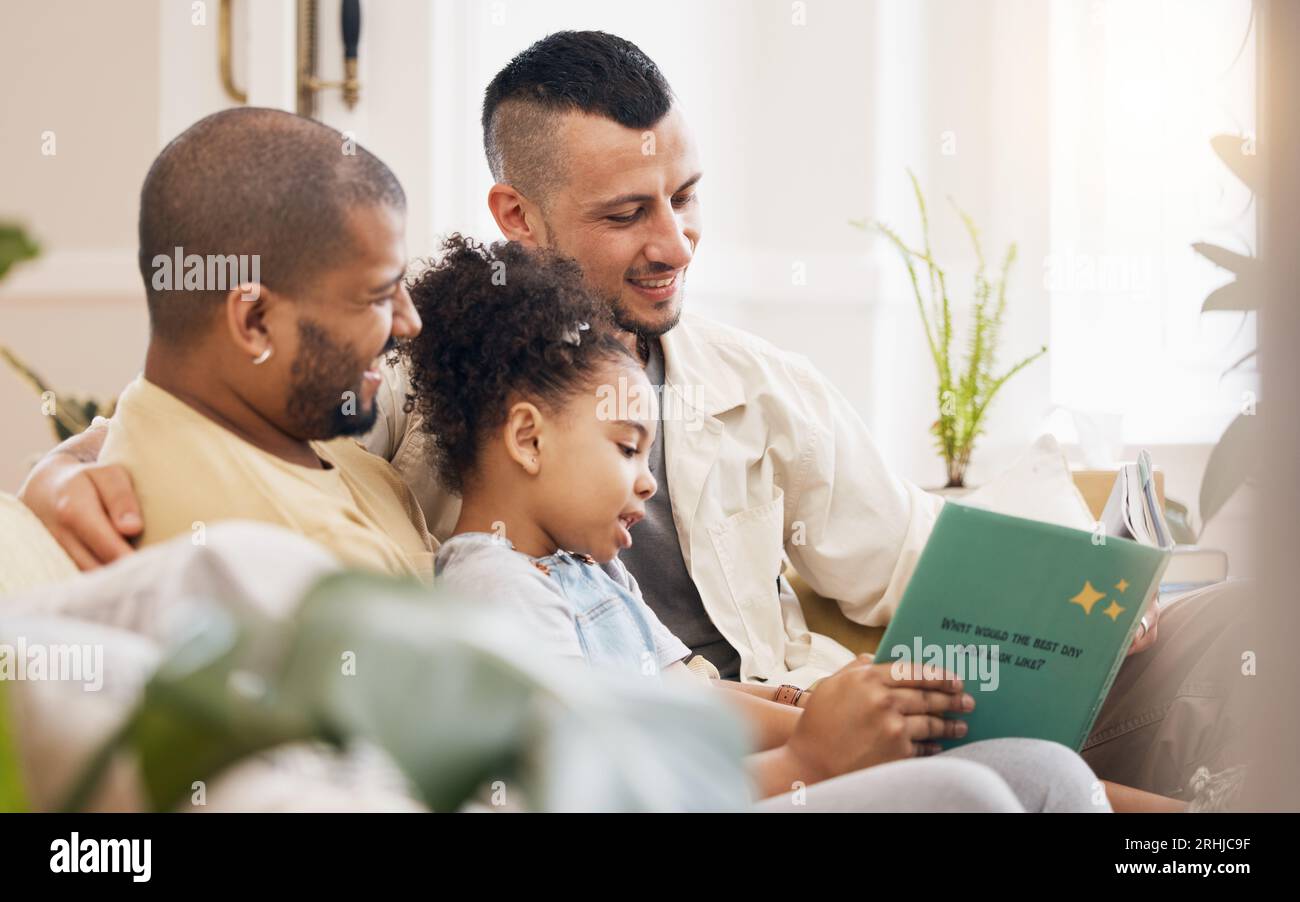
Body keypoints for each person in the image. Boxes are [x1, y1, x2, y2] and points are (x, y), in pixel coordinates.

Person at [17, 32, 1251, 800]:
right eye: (626, 216)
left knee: (1232, 622)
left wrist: (1092, 596)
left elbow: (911, 550)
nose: (675, 245)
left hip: (817, 702)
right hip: (712, 758)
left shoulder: (753, 378)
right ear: (516, 217)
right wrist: (69, 462)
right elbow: (219, 411)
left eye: (686, 197)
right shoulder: (421, 371)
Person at [413, 234, 1110, 812]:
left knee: (1048, 774)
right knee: (968, 797)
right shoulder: (496, 590)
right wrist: (809, 759)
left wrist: (829, 710)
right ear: (529, 440)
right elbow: (579, 792)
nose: (648, 478)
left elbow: (697, 697)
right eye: (627, 447)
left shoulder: (593, 574)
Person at [94, 107, 433, 578]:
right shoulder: (310, 562)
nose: (408, 321)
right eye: (378, 296)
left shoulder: (276, 428)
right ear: (254, 321)